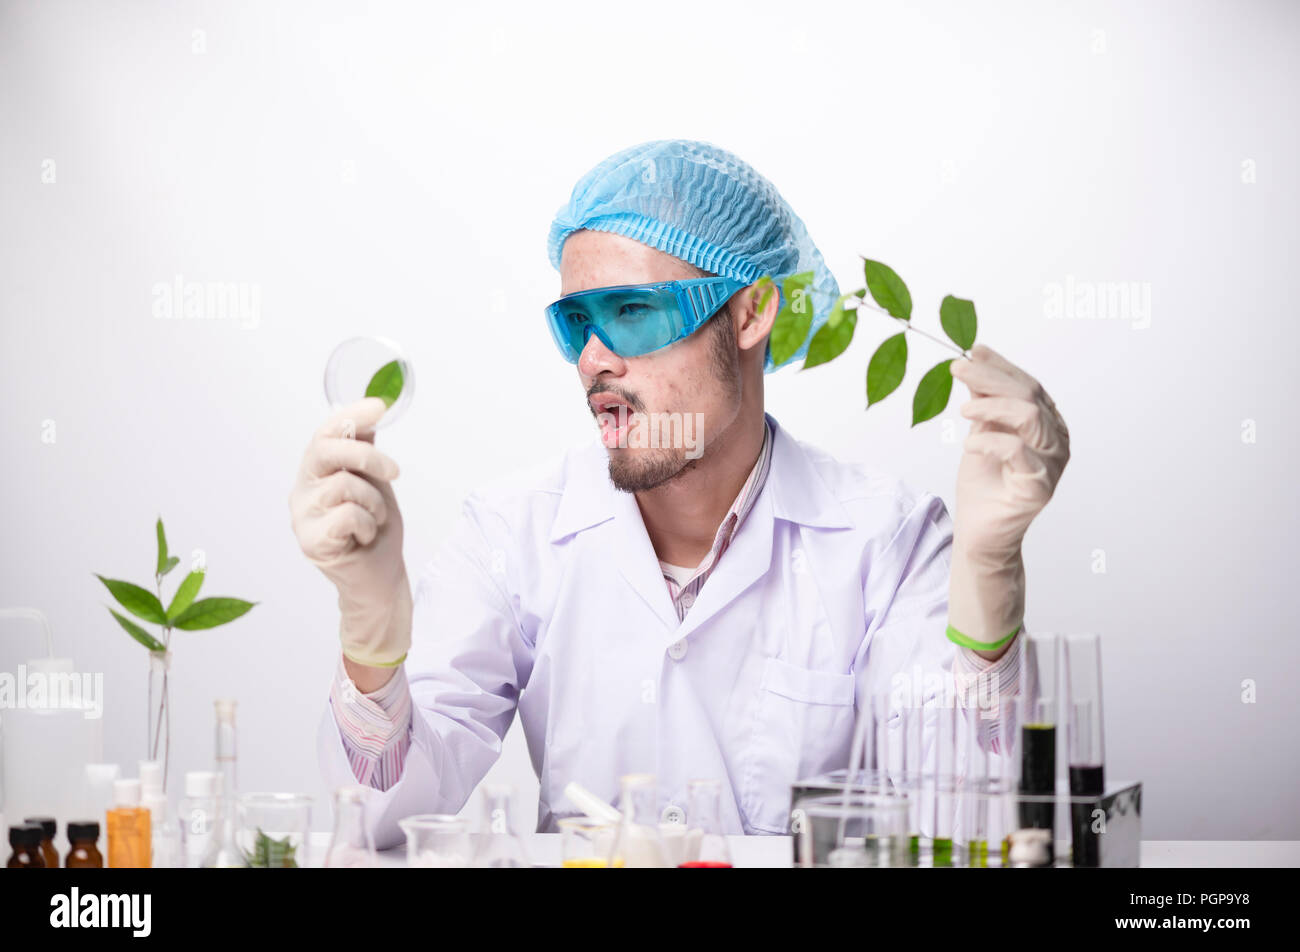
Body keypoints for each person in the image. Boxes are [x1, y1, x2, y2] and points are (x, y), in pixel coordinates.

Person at [289, 140, 1070, 843]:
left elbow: (984, 829)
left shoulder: (885, 540)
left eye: (633, 312)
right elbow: (380, 818)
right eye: (575, 323)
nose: (594, 359)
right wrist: (371, 635)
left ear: (752, 312)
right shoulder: (510, 532)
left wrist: (989, 574)